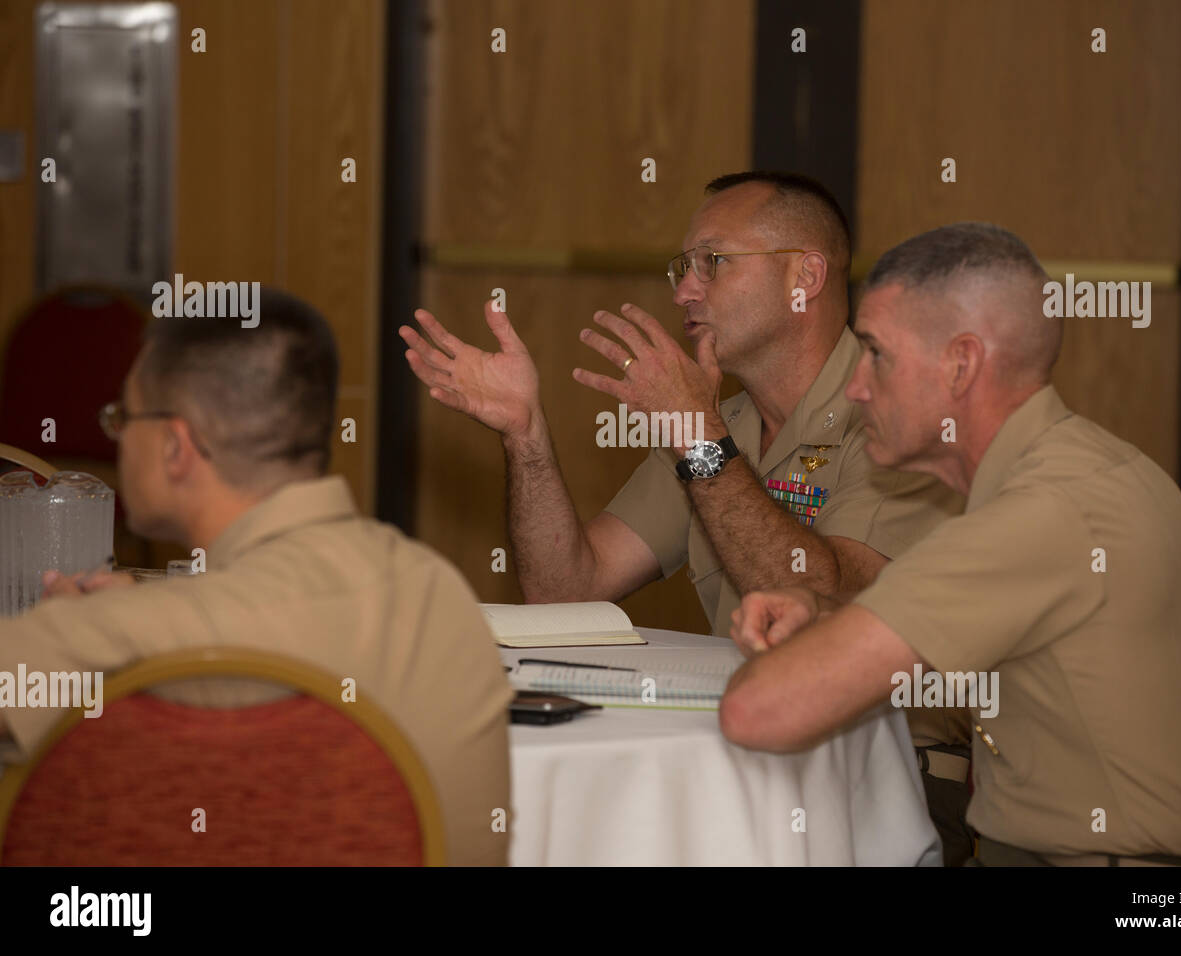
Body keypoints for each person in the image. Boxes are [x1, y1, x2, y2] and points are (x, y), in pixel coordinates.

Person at [722, 222, 1181, 866]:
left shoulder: (1040, 511)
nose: (857, 386)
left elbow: (759, 712)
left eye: (877, 354)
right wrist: (828, 616)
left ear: (961, 364)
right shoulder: (1081, 469)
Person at [0, 291, 511, 866]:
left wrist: (76, 622)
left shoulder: (126, 633)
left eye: (122, 417)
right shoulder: (440, 592)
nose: (116, 438)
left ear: (176, 447)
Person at [399, 170, 960, 636]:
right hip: (752, 749)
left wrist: (699, 439)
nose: (683, 292)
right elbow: (564, 593)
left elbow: (824, 610)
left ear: (804, 276)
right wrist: (526, 437)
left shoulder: (905, 418)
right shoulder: (717, 424)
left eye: (713, 263)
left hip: (889, 763)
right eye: (682, 269)